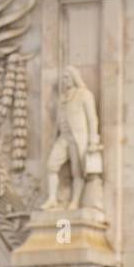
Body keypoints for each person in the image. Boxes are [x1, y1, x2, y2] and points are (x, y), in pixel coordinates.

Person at [43, 67, 102, 210]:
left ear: (74, 78)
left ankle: (75, 201)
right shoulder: (62, 99)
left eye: (67, 77)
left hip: (79, 138)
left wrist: (93, 141)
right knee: (51, 165)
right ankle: (52, 198)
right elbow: (58, 121)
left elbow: (92, 119)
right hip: (64, 138)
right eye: (63, 78)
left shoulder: (84, 95)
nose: (64, 81)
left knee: (78, 172)